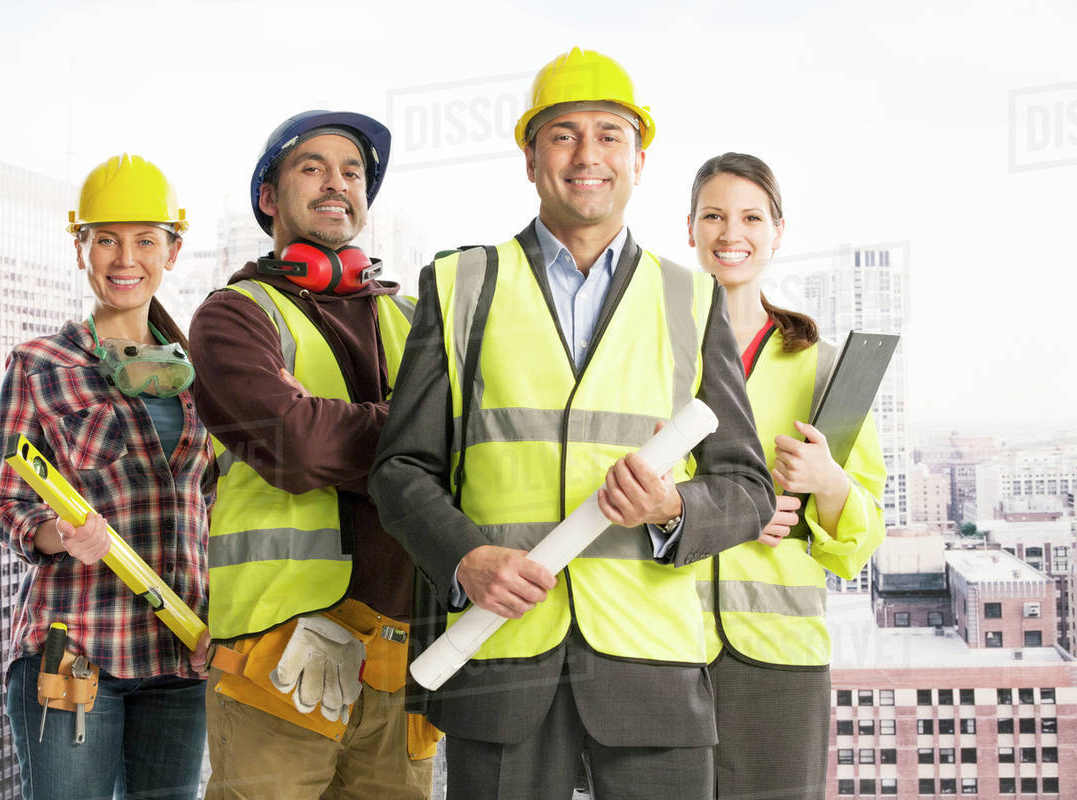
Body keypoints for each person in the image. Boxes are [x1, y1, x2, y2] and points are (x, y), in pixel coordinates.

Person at [368, 48, 776, 800]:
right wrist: (463, 559)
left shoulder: (691, 297)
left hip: (651, 668)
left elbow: (748, 488)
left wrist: (675, 508)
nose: (587, 155)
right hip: (501, 663)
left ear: (639, 158)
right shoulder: (460, 285)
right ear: (530, 158)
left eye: (609, 134)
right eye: (562, 135)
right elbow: (400, 470)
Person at [188, 110, 436, 800]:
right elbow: (294, 446)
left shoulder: (416, 318)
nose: (337, 184)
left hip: (400, 659)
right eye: (313, 168)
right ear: (269, 197)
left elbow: (461, 448)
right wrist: (410, 430)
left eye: (352, 172)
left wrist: (344, 430)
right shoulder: (235, 316)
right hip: (278, 658)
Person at [0, 154, 212, 800]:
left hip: (181, 653)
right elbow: (8, 503)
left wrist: (222, 619)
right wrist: (57, 533)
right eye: (105, 239)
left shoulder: (203, 372)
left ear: (172, 251)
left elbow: (220, 511)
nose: (125, 258)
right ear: (80, 247)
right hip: (78, 647)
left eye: (146, 240)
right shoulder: (39, 365)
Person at [686, 153, 887, 800]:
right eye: (713, 215)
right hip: (661, 644)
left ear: (778, 232)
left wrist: (828, 481)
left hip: (781, 658)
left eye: (750, 216)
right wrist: (729, 506)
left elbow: (860, 539)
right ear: (689, 229)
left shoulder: (825, 370)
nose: (730, 232)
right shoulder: (650, 354)